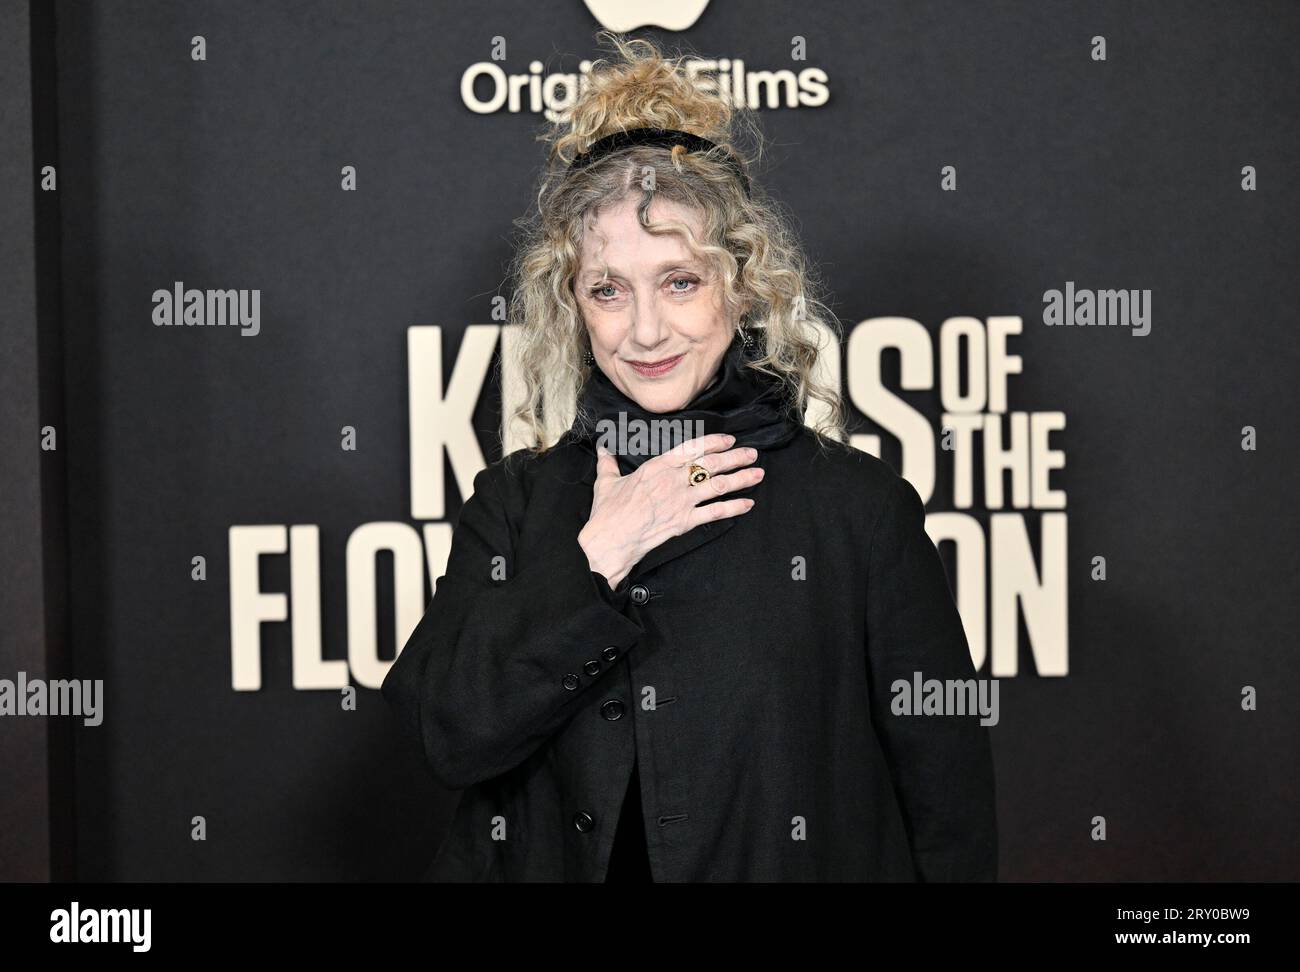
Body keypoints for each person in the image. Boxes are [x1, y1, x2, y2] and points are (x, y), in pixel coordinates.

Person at [381, 32, 997, 882]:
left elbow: (948, 816)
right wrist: (595, 557)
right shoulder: (518, 505)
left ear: (741, 284)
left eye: (679, 281)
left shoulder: (858, 509)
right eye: (607, 289)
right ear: (572, 306)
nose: (643, 331)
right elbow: (444, 735)